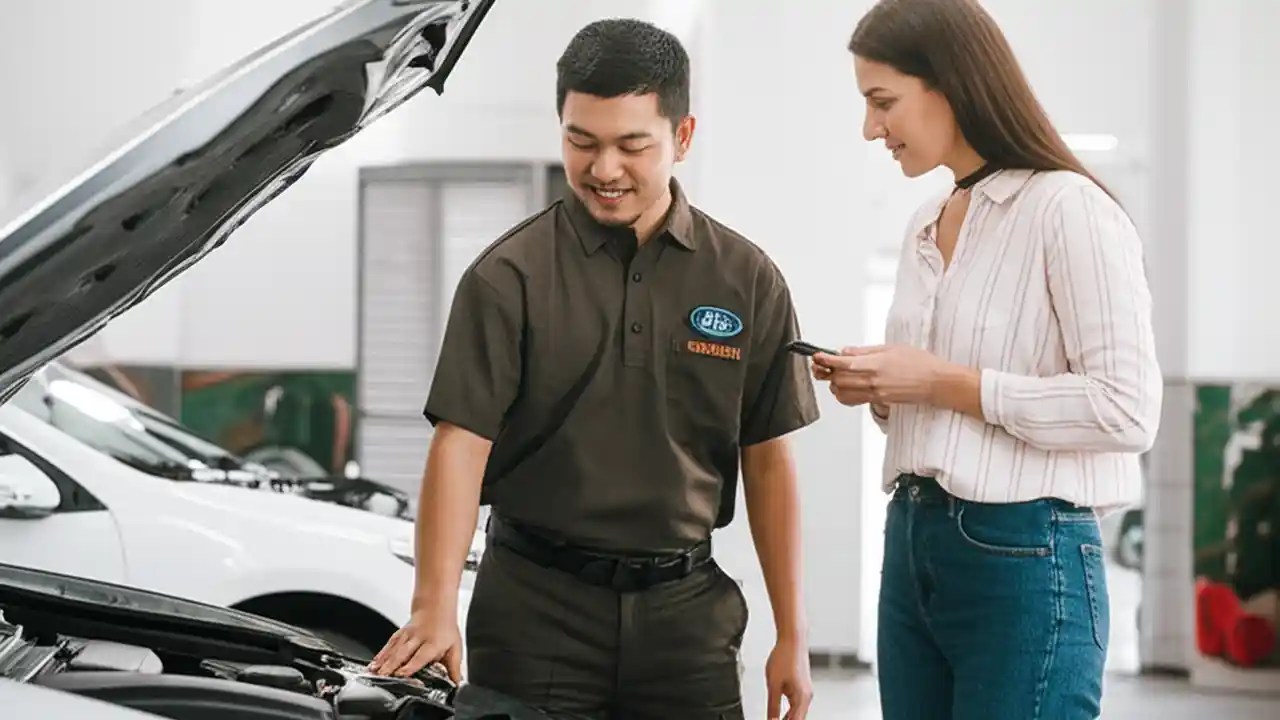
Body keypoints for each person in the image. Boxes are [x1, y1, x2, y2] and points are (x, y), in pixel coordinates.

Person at [368, 18, 819, 720]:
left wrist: (793, 632)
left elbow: (767, 461)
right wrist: (434, 604)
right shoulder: (507, 276)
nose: (603, 169)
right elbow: (460, 444)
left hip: (686, 616)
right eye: (582, 141)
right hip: (533, 612)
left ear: (683, 137)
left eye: (631, 145)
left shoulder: (746, 280)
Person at [812, 1, 1163, 718]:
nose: (870, 128)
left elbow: (1127, 409)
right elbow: (948, 406)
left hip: (1027, 555)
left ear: (950, 83)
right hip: (913, 539)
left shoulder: (1069, 209)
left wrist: (938, 382)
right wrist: (886, 391)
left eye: (883, 103)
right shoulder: (924, 223)